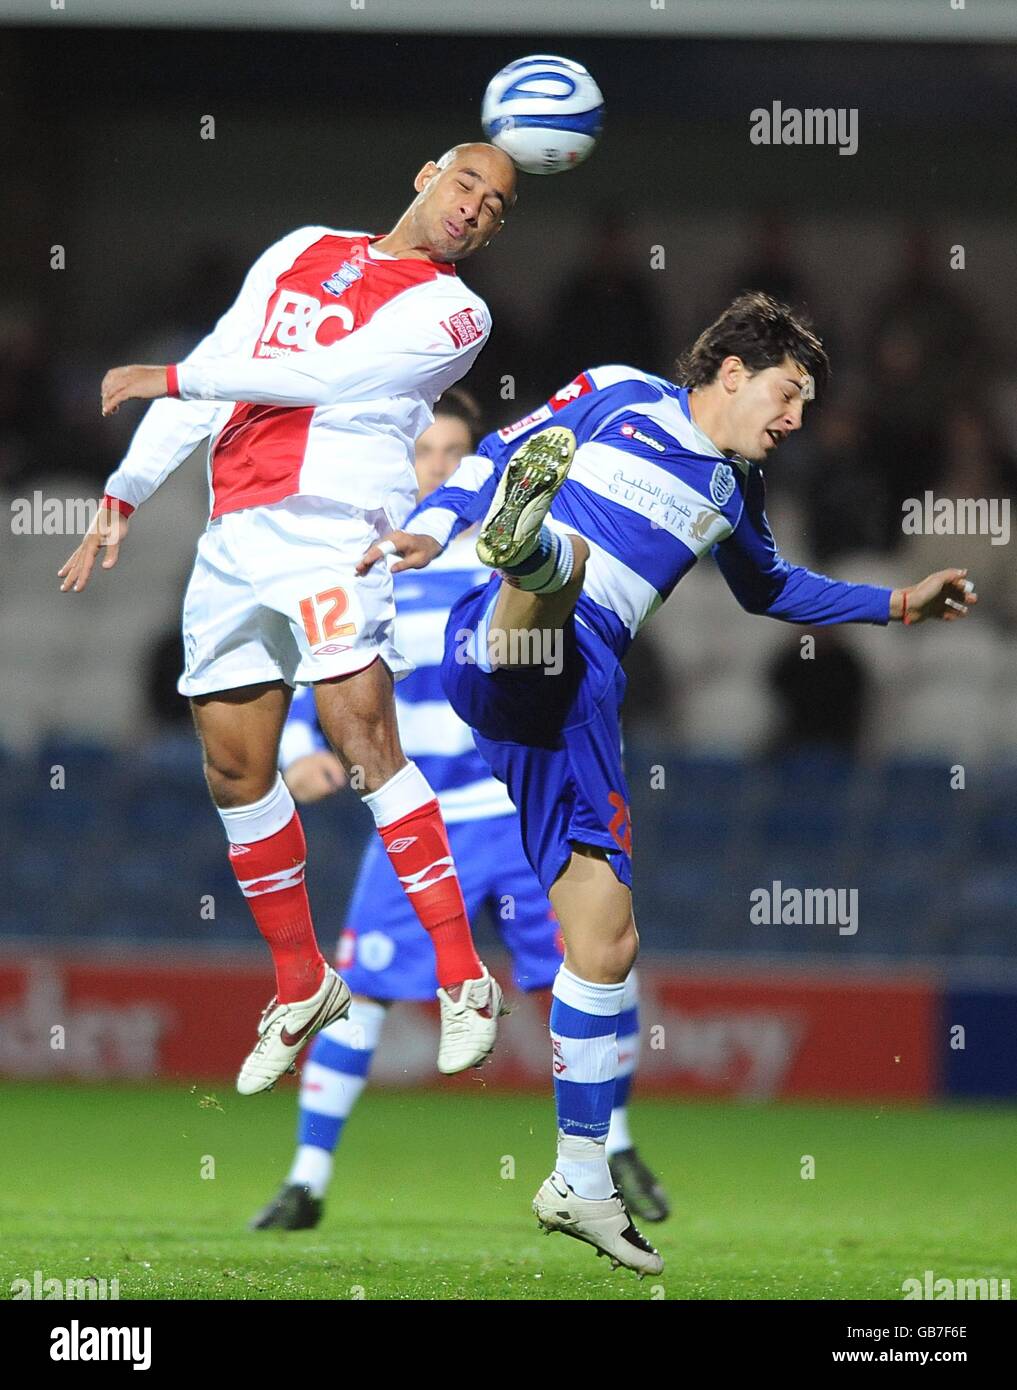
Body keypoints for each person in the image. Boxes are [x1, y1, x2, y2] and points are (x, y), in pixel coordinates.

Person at [358, 291, 979, 1275]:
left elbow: (773, 587)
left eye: (805, 407)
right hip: (500, 631)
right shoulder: (614, 393)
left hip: (578, 699)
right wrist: (436, 527)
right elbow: (491, 449)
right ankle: (531, 548)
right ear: (731, 371)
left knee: (606, 941)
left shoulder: (734, 492)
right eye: (787, 394)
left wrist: (899, 602)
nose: (795, 419)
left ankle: (580, 1180)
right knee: (552, 582)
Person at [58, 144, 517, 1094]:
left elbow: (329, 379)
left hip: (333, 532)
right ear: (424, 172)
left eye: (496, 206)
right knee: (233, 768)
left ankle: (462, 977)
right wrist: (127, 490)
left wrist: (169, 377)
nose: (475, 208)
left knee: (359, 738)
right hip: (236, 535)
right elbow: (231, 364)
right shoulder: (303, 245)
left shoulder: (454, 313)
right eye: (467, 183)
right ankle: (302, 982)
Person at [251, 389, 669, 1231]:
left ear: (480, 465)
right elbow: (333, 667)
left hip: (517, 810)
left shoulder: (515, 554)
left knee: (590, 975)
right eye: (425, 454)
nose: (438, 467)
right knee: (362, 989)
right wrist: (299, 748)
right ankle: (306, 1179)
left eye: (453, 454)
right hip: (423, 821)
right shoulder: (371, 561)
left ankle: (613, 1145)